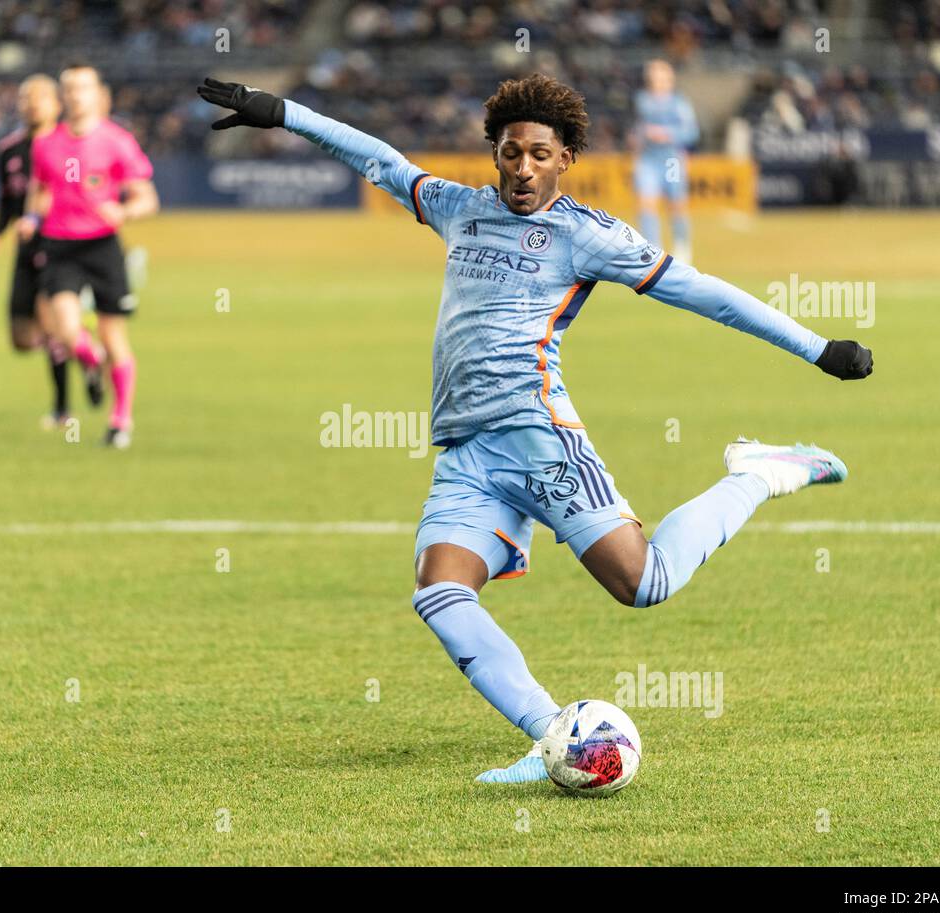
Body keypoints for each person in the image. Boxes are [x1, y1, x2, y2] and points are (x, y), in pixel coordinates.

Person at [198, 74, 874, 783]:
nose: (524, 168)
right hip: (467, 451)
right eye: (511, 152)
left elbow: (706, 295)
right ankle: (555, 734)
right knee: (439, 592)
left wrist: (817, 348)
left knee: (643, 584)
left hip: (537, 435)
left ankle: (760, 473)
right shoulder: (459, 209)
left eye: (540, 155)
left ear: (565, 159)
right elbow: (382, 161)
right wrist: (286, 113)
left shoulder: (587, 235)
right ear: (495, 153)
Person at [20, 63, 157, 449]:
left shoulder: (117, 141)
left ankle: (120, 420)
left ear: (98, 94)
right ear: (62, 96)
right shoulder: (47, 143)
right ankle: (90, 360)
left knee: (115, 336)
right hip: (60, 246)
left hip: (102, 245)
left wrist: (125, 211)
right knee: (64, 329)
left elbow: (148, 198)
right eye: (69, 88)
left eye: (83, 87)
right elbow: (40, 189)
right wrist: (32, 216)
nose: (75, 95)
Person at [0, 74, 102, 428]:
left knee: (51, 327)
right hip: (23, 248)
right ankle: (84, 347)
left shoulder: (69, 146)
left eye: (41, 97)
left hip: (58, 246)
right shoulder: (7, 151)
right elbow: (7, 199)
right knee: (22, 338)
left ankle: (63, 409)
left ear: (56, 103)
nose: (33, 103)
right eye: (26, 97)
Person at [633, 60, 699, 263]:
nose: (657, 81)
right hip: (648, 159)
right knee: (646, 203)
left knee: (676, 205)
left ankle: (682, 246)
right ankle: (653, 250)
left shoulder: (680, 103)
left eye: (662, 77)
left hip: (671, 161)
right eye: (654, 77)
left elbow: (691, 133)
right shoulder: (642, 100)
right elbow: (638, 129)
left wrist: (667, 134)